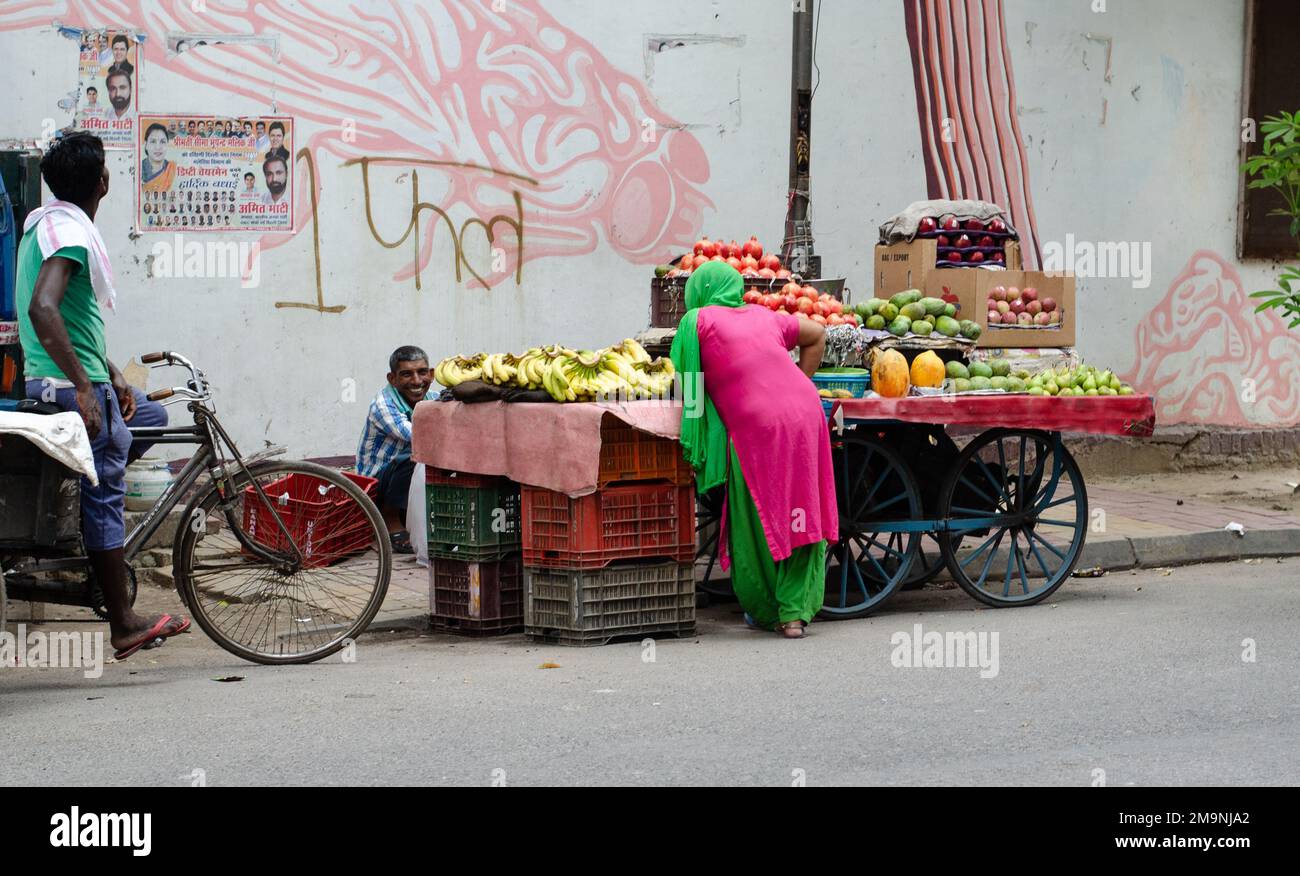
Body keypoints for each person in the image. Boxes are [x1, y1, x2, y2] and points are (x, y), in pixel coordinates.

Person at [16, 133, 188, 659]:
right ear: (103, 182)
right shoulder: (69, 232)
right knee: (106, 490)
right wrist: (88, 387)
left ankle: (84, 517)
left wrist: (110, 374)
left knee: (152, 413)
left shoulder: (43, 225)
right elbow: (43, 310)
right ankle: (124, 621)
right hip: (68, 388)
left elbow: (70, 320)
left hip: (74, 378)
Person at [670, 261, 837, 639]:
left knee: (756, 516)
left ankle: (765, 608)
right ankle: (794, 614)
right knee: (801, 508)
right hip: (806, 413)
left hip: (756, 428)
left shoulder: (696, 321)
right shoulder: (765, 316)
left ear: (697, 291)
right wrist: (794, 384)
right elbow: (818, 334)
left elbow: (689, 393)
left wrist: (695, 432)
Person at [355, 346, 433, 554]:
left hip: (403, 479)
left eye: (422, 372)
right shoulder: (383, 405)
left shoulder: (433, 398)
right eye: (406, 374)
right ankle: (390, 519)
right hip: (374, 488)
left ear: (432, 374)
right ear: (392, 378)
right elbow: (416, 436)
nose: (417, 381)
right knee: (416, 453)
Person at [140, 123, 176, 194]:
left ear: (167, 145)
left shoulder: (172, 169)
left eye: (162, 142)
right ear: (146, 145)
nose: (158, 147)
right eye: (153, 141)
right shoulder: (138, 169)